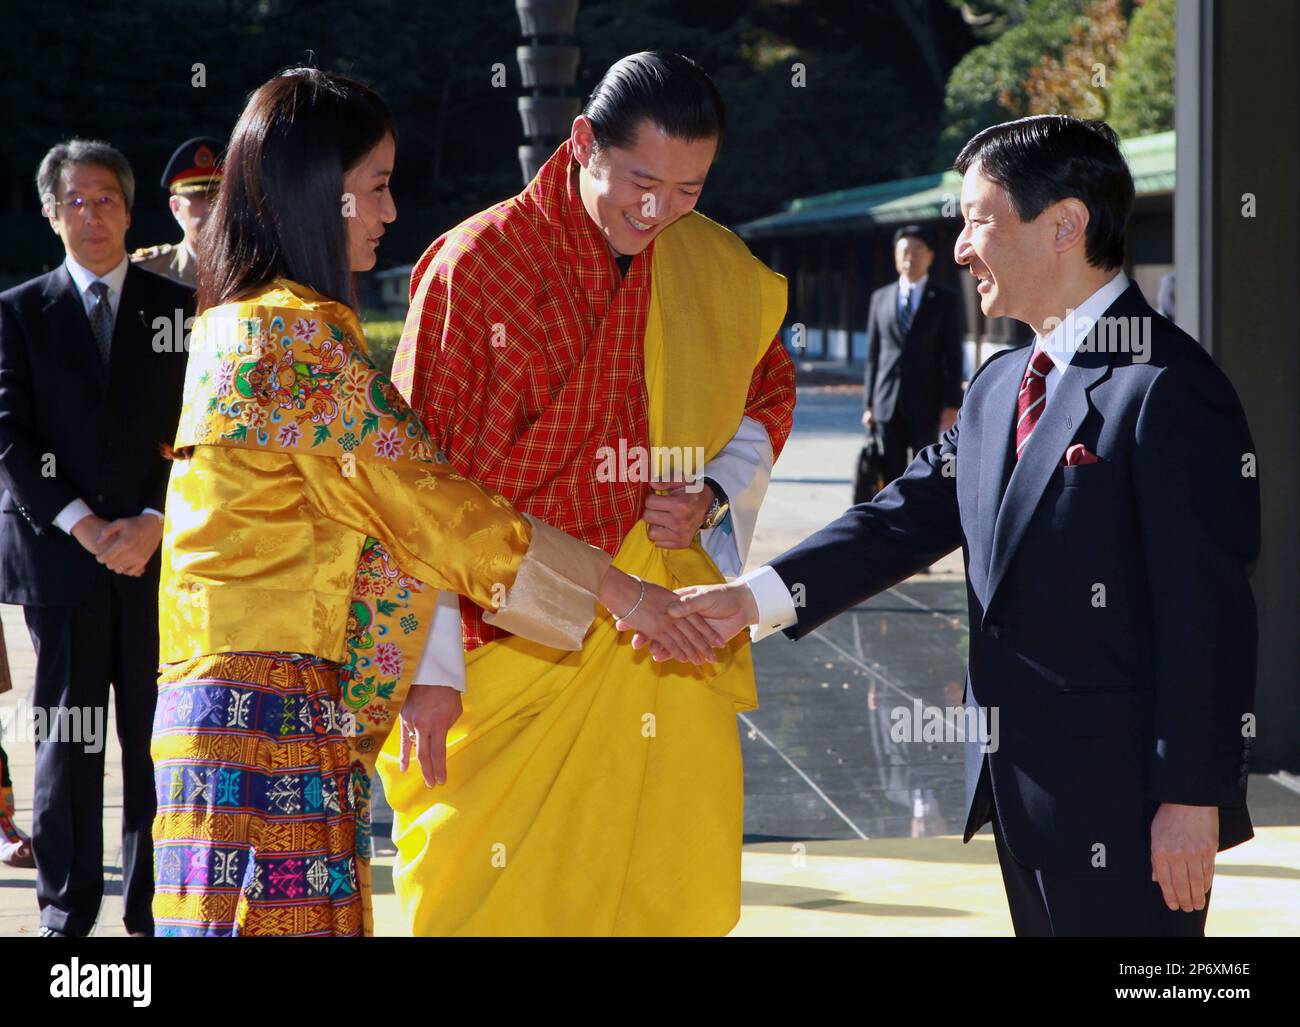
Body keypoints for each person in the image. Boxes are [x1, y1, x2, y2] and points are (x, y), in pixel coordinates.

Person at [664, 115, 1260, 937]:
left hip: (1129, 809)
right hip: (1019, 795)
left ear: (1065, 224)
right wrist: (750, 599)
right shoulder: (1001, 383)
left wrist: (1192, 797)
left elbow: (1209, 618)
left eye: (978, 219)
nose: (960, 248)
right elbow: (897, 521)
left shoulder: (1167, 387)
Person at [151, 66, 711, 938]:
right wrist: (623, 591)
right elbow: (435, 508)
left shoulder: (239, 321)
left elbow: (395, 512)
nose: (389, 211)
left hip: (231, 691)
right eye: (373, 187)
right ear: (314, 195)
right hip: (270, 698)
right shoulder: (293, 335)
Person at [378, 50, 796, 935]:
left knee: (661, 880)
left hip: (666, 622)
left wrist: (711, 492)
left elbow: (767, 398)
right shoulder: (477, 265)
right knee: (493, 901)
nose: (659, 211)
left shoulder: (711, 266)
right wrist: (430, 668)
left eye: (688, 190)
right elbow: (420, 491)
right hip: (507, 637)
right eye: (642, 181)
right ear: (582, 144)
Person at [0, 139, 194, 936]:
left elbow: (201, 433)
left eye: (106, 198)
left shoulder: (178, 310)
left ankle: (151, 913)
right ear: (51, 214)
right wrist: (84, 525)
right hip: (61, 565)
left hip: (156, 562)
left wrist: (153, 521)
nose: (92, 213)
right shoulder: (19, 311)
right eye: (74, 200)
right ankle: (65, 914)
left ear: (130, 208)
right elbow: (10, 434)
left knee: (156, 739)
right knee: (68, 743)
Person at [861, 224, 965, 485]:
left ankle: (921, 521)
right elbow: (874, 354)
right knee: (891, 470)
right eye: (904, 250)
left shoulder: (944, 299)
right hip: (887, 402)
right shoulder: (880, 298)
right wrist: (869, 404)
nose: (910, 256)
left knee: (924, 468)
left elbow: (953, 354)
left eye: (918, 250)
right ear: (895, 256)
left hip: (926, 401)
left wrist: (952, 403)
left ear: (930, 256)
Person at [130, 136, 223, 286]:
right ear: (176, 208)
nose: (211, 208)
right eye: (199, 198)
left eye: (219, 198)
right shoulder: (149, 271)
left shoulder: (256, 271)